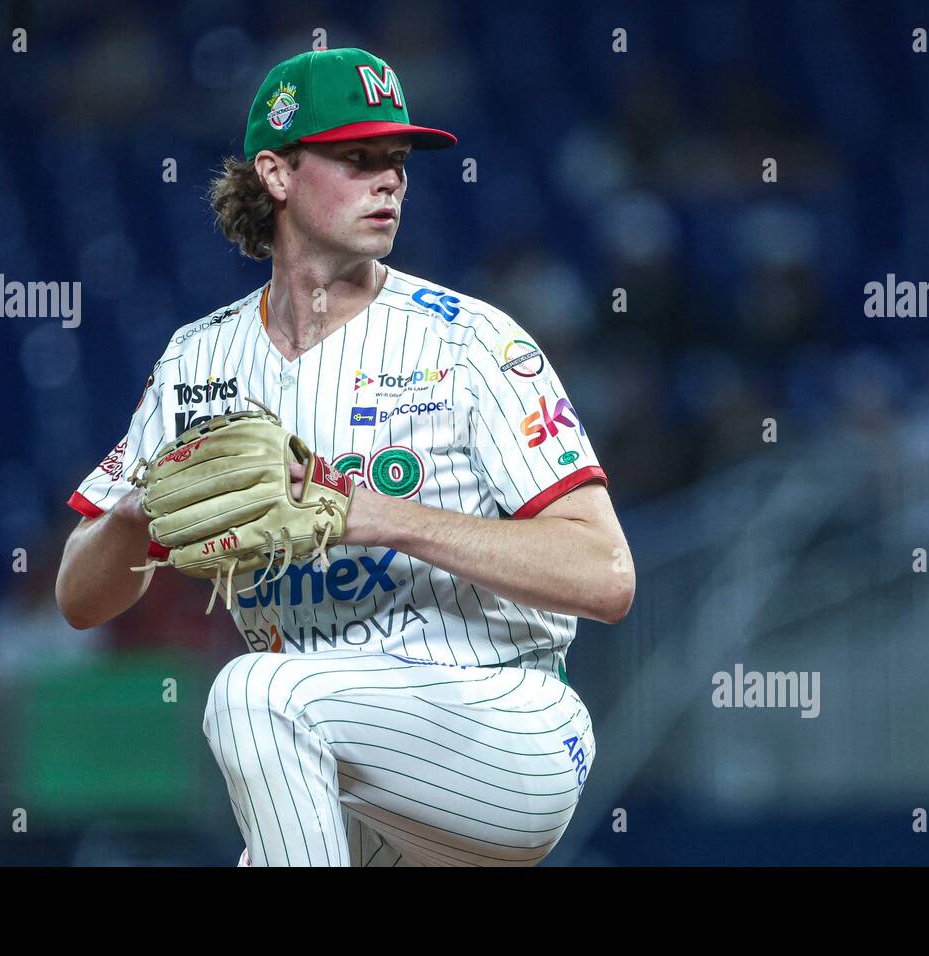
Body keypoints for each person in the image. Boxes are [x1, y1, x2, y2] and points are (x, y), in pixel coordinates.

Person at [55, 47, 634, 866]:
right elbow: (80, 599)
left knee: (255, 692)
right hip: (335, 769)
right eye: (357, 158)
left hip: (505, 724)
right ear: (277, 174)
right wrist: (142, 509)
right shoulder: (198, 364)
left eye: (396, 160)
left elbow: (606, 576)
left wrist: (379, 516)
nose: (389, 179)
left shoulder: (469, 341)